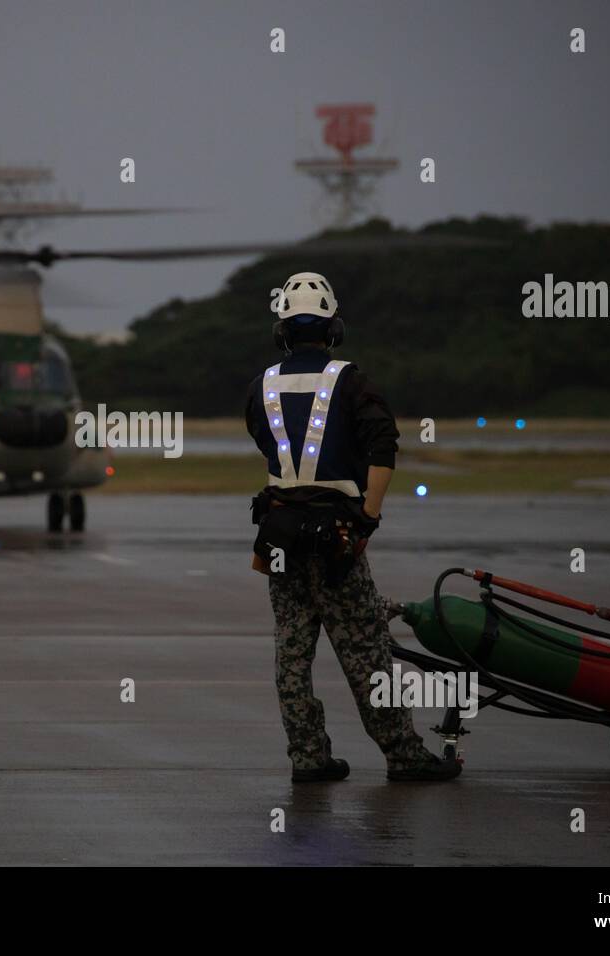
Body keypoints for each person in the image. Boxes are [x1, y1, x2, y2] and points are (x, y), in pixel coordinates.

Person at [245, 271, 461, 783]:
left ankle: (308, 757)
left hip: (281, 538)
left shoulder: (261, 386)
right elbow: (382, 448)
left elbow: (267, 447)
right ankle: (404, 756)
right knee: (366, 652)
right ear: (333, 328)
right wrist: (367, 517)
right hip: (337, 537)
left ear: (281, 332)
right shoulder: (353, 381)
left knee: (292, 654)